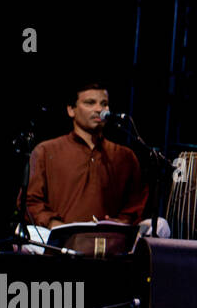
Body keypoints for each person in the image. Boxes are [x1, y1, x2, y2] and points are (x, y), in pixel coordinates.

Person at [17, 82, 168, 252]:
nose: (99, 109)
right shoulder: (46, 150)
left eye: (103, 104)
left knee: (160, 225)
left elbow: (135, 203)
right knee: (25, 234)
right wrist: (54, 224)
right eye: (90, 103)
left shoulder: (124, 155)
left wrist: (122, 222)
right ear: (71, 110)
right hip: (61, 237)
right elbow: (31, 201)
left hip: (111, 236)